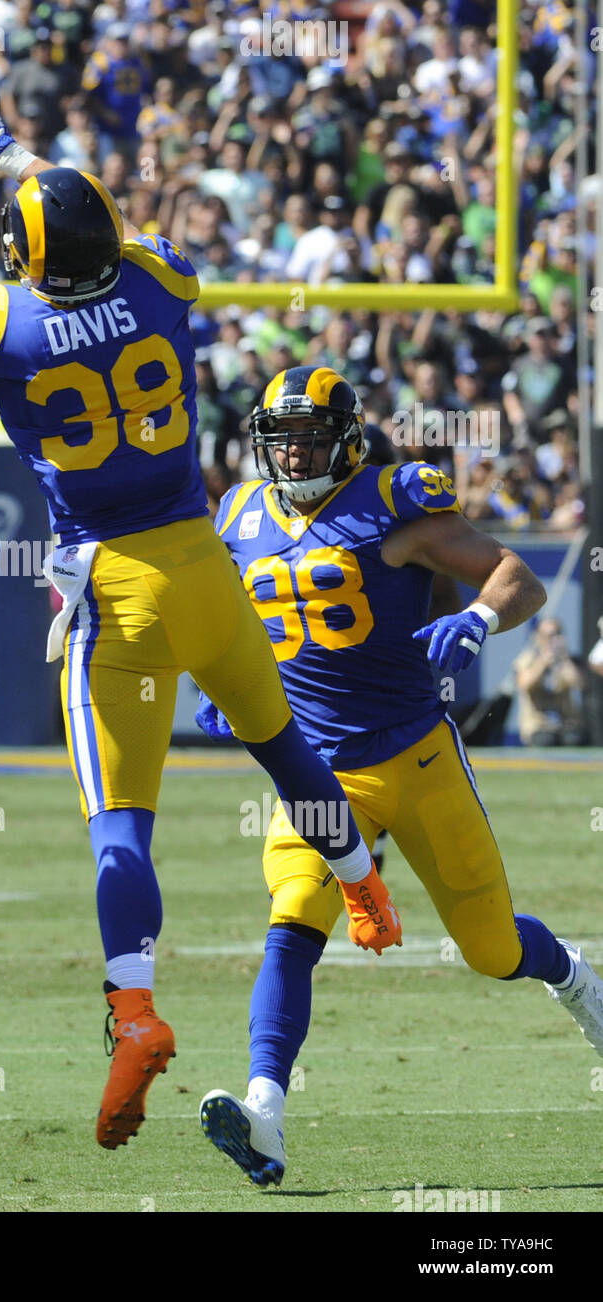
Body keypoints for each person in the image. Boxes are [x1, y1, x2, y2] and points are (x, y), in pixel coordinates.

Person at [0, 78, 402, 1151]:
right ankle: (362, 887)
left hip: (116, 585)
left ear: (26, 257)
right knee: (287, 752)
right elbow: (89, 212)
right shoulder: (161, 280)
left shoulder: (1, 324)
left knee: (121, 825)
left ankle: (137, 1011)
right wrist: (10, 149)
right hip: (206, 560)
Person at [194, 366, 603, 1186]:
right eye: (284, 438)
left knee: (489, 951)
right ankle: (264, 1114)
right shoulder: (238, 512)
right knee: (292, 915)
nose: (297, 451)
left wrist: (476, 617)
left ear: (346, 439)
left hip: (414, 758)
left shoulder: (394, 501)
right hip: (311, 767)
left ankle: (577, 980)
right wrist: (215, 680)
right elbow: (223, 610)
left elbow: (513, 577)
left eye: (312, 435)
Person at [513, 617, 587, 745]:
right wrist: (543, 661)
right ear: (539, 637)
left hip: (566, 723)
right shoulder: (528, 659)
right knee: (546, 741)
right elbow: (523, 685)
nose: (552, 640)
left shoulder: (569, 660)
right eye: (548, 636)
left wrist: (564, 658)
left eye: (557, 634)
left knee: (574, 739)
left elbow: (580, 684)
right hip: (538, 725)